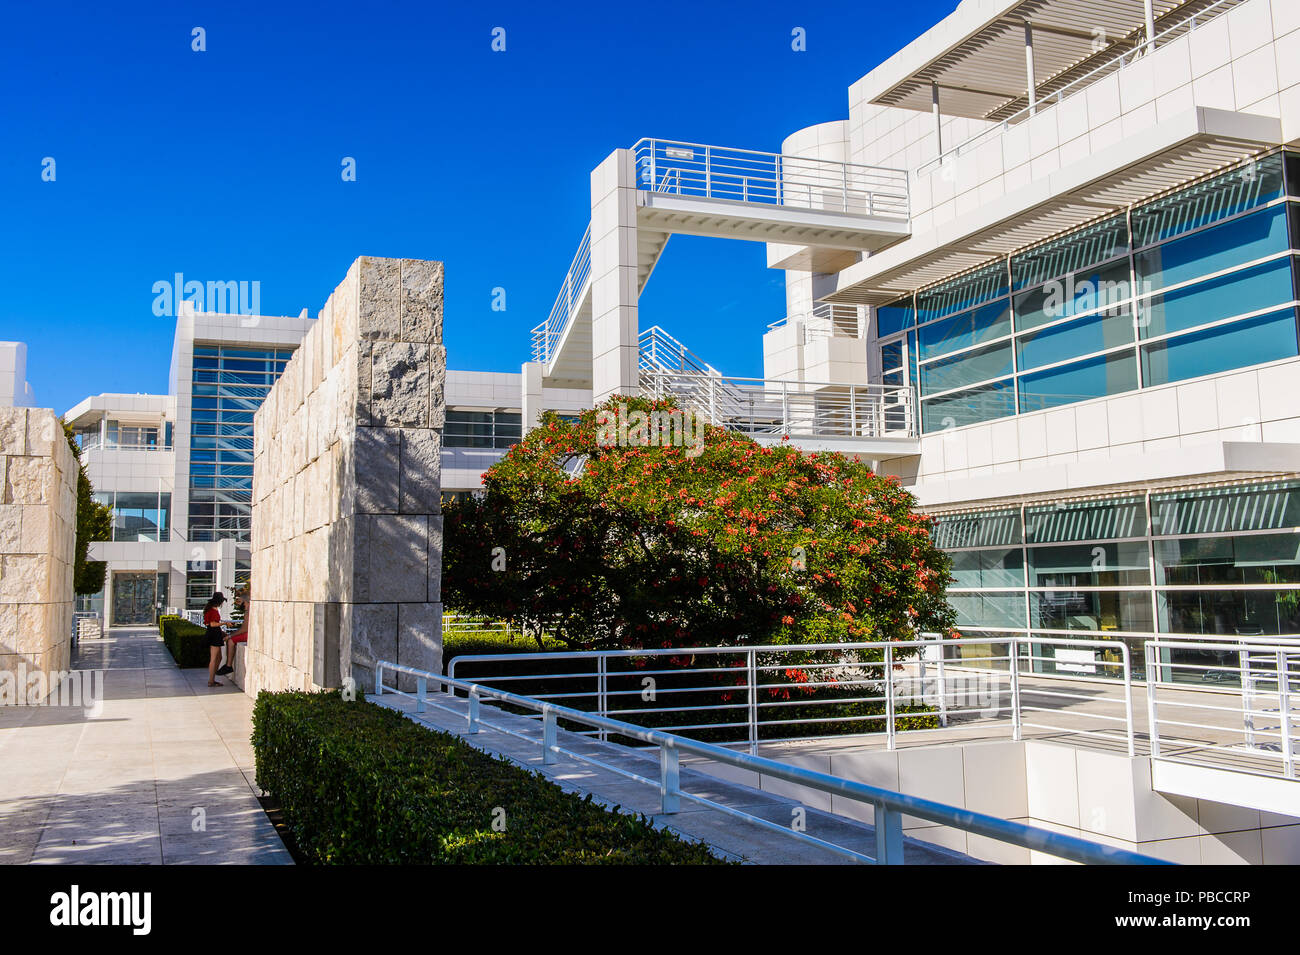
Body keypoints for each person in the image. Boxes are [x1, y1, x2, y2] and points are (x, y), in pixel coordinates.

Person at [203, 592, 233, 687]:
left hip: (214, 633)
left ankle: (212, 678)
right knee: (214, 658)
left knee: (218, 657)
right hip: (213, 634)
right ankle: (211, 680)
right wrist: (224, 624)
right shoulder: (212, 610)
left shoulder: (210, 609)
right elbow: (212, 624)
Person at [217, 588, 248, 677]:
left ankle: (228, 665)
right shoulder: (248, 611)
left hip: (249, 634)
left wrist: (230, 636)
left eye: (239, 601)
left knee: (231, 641)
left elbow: (244, 629)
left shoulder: (248, 612)